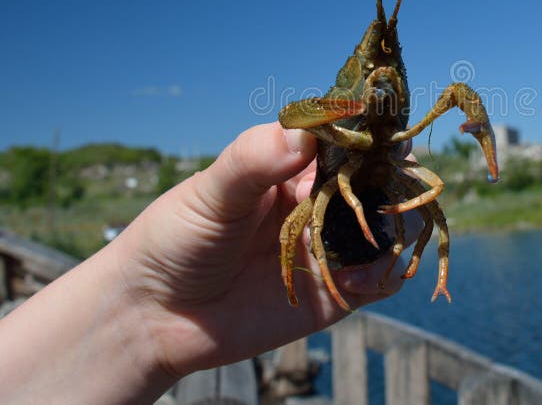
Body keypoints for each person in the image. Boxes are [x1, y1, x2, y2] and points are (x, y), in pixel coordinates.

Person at [0, 123, 413, 404]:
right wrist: (147, 312)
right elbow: (293, 119)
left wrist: (146, 314)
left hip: (338, 224)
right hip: (318, 213)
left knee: (414, 215)